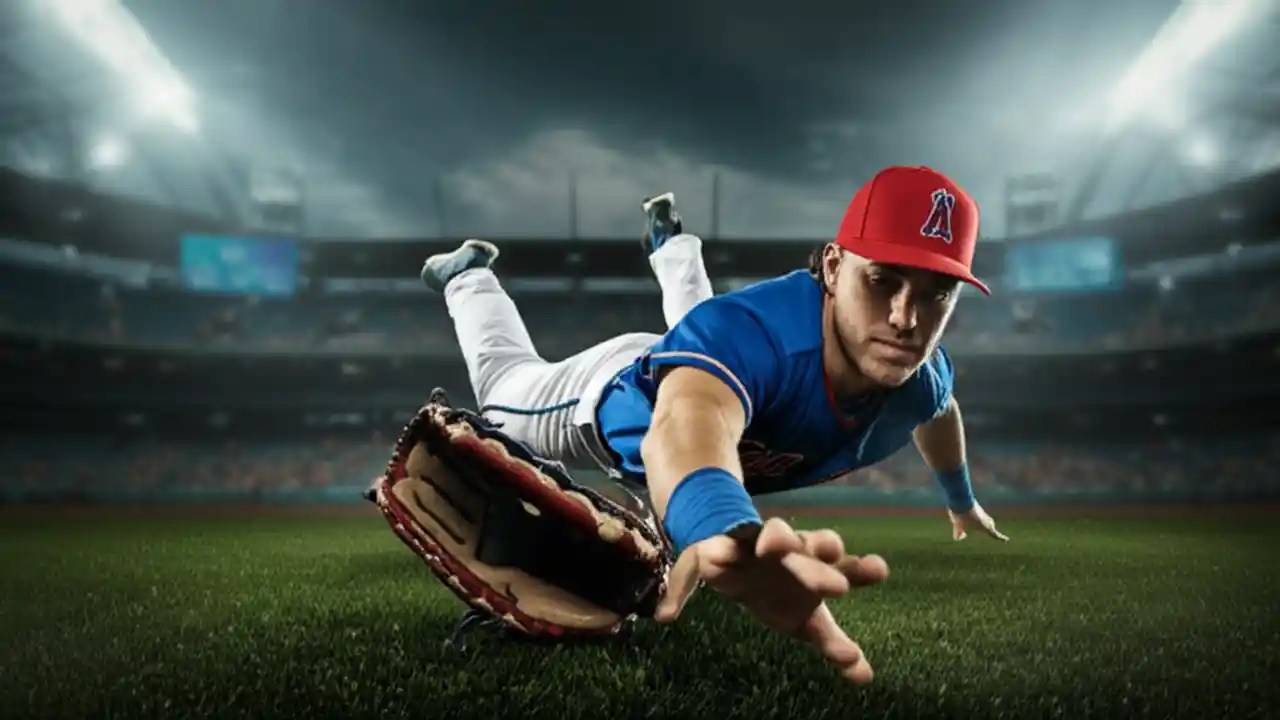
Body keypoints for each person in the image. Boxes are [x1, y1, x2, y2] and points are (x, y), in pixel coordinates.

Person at [420, 165, 1008, 684]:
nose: (907, 318)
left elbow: (940, 411)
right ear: (833, 265)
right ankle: (467, 278)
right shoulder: (759, 337)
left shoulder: (920, 374)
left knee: (704, 327)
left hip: (718, 364)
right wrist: (718, 523)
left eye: (939, 292)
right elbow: (684, 422)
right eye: (882, 281)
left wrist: (961, 501)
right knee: (501, 399)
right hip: (619, 393)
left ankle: (670, 244)